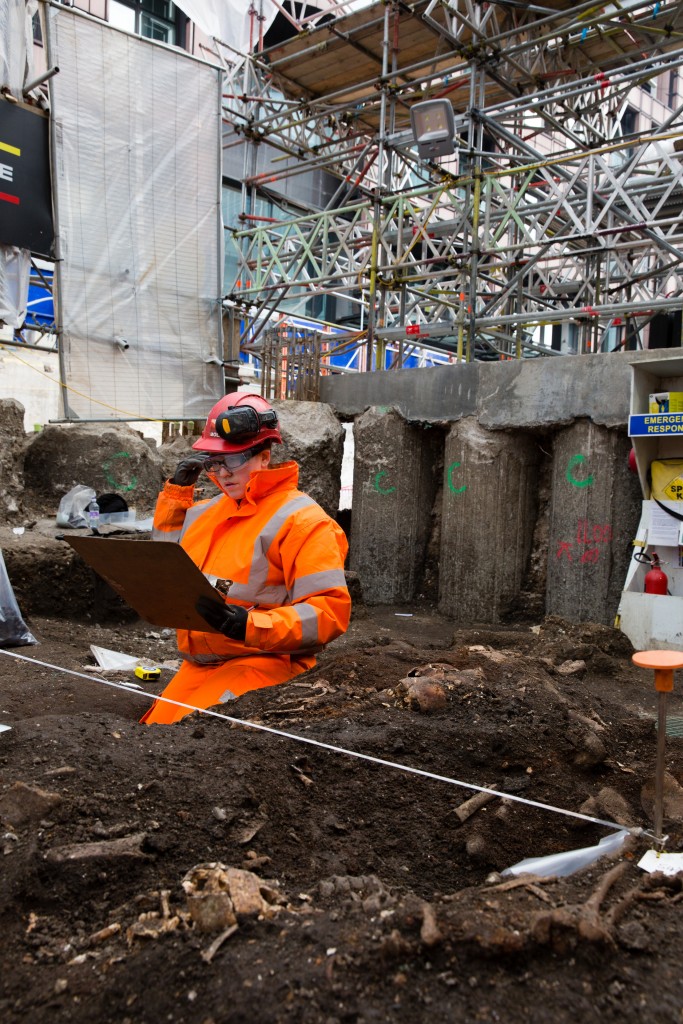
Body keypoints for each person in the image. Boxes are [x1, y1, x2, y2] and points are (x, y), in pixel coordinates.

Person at [140, 393, 351, 725]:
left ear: (264, 457)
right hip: (201, 661)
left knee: (189, 734)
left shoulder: (304, 522)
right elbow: (166, 567)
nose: (222, 473)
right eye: (214, 462)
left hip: (264, 661)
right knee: (153, 729)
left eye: (233, 460)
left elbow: (328, 614)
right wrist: (175, 499)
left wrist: (250, 626)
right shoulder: (204, 513)